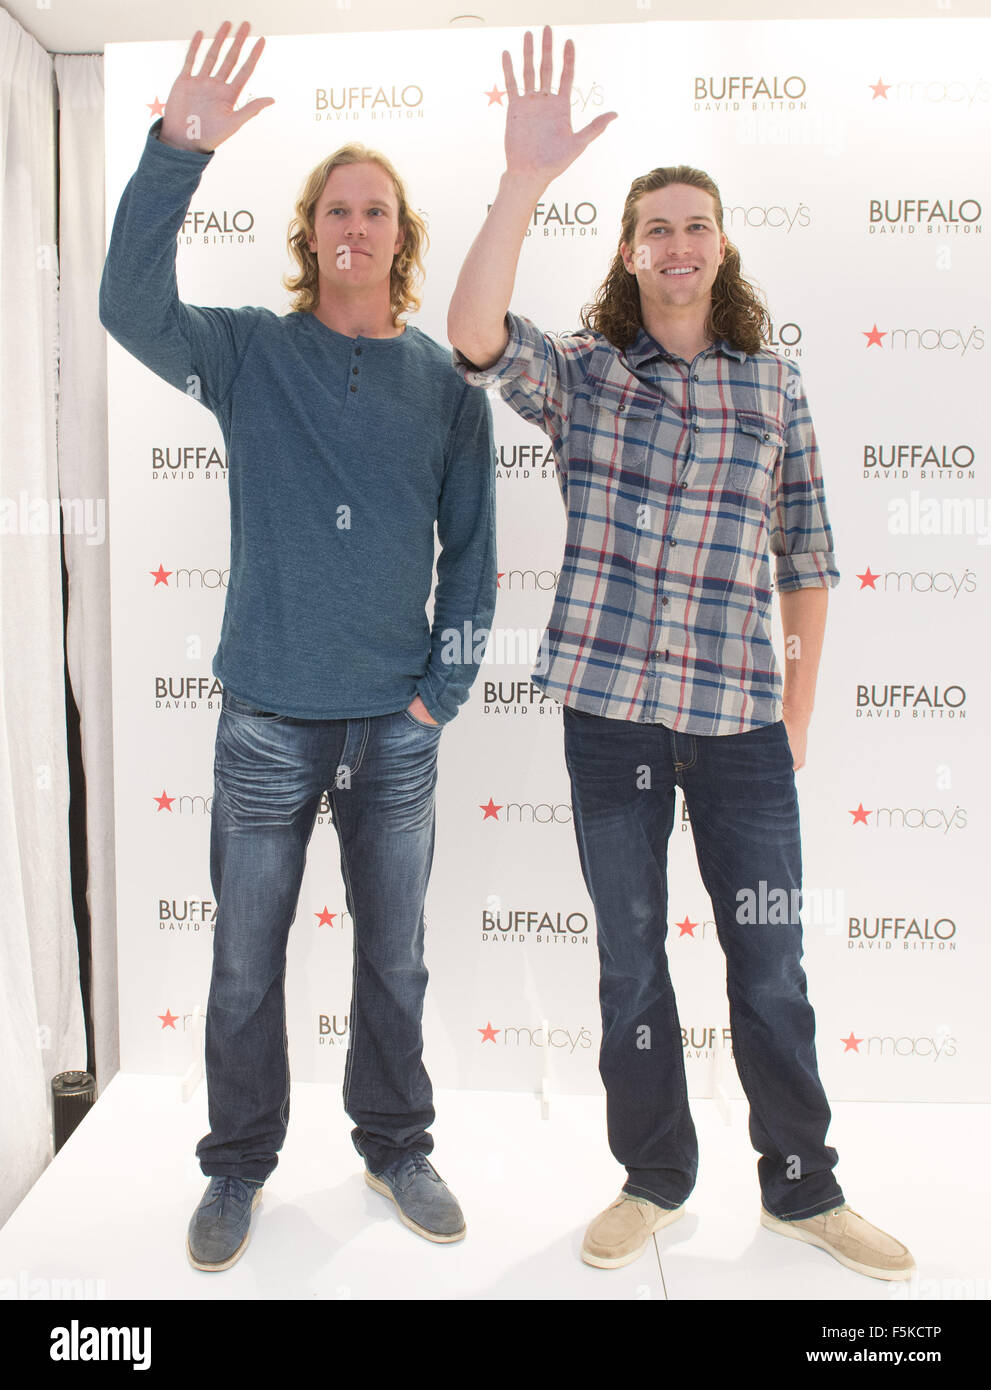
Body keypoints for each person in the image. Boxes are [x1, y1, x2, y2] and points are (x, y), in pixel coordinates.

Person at [447, 25, 913, 1280]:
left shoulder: (773, 386)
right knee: (628, 953)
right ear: (629, 253)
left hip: (741, 726)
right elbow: (476, 333)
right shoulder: (589, 375)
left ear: (721, 245)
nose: (677, 243)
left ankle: (801, 1190)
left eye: (695, 223)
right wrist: (521, 182)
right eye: (655, 227)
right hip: (609, 719)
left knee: (768, 958)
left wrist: (796, 718)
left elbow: (807, 558)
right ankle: (654, 1174)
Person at [99, 20, 496, 1271]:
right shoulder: (249, 354)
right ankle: (236, 1168)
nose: (357, 225)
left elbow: (476, 558)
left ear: (400, 238)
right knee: (240, 968)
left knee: (398, 960)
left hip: (396, 731)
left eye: (377, 210)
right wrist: (176, 150)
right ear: (311, 231)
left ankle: (394, 1141)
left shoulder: (442, 382)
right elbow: (126, 303)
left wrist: (444, 691)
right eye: (337, 206)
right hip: (266, 718)